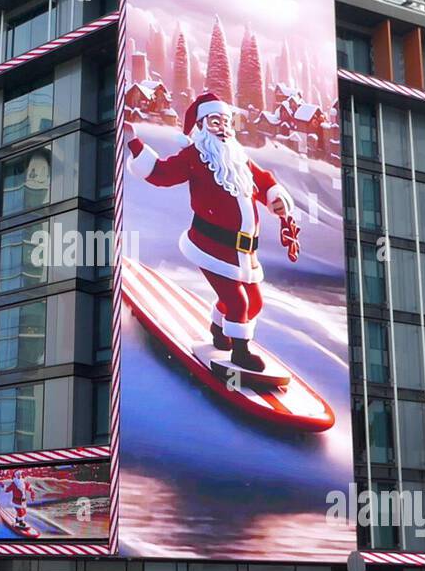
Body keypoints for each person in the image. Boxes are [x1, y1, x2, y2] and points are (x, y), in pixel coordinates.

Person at [124, 91, 296, 372]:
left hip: (244, 252)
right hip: (211, 247)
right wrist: (135, 142)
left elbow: (264, 181)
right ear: (201, 127)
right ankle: (240, 353)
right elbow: (160, 173)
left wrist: (275, 198)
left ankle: (218, 330)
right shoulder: (195, 156)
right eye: (215, 121)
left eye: (226, 121)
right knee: (238, 302)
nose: (223, 128)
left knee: (254, 303)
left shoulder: (239, 158)